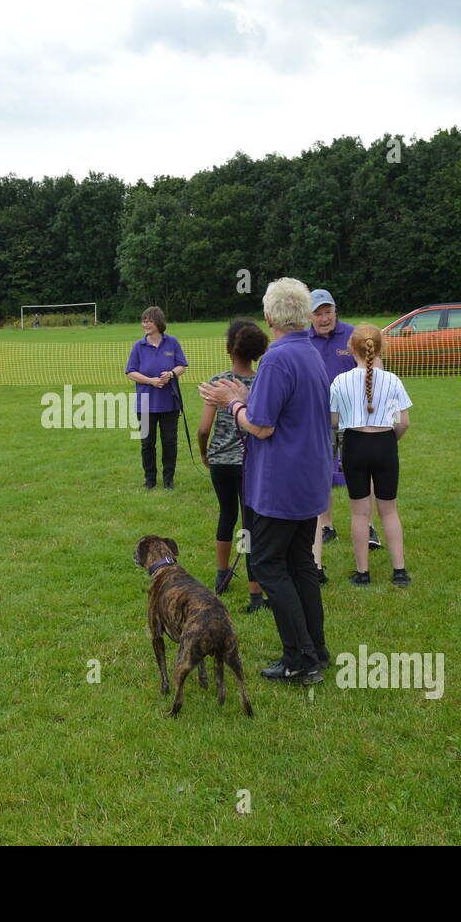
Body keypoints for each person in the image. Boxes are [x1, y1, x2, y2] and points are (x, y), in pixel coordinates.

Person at [200, 278, 333, 683]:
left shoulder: (277, 358)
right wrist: (246, 395)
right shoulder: (309, 351)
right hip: (308, 478)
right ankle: (316, 651)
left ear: (269, 316)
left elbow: (260, 426)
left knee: (270, 565)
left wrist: (232, 401)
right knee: (301, 564)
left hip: (281, 484)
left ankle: (300, 658)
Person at [330, 324, 412, 587]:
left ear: (351, 348)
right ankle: (399, 570)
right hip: (385, 444)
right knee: (389, 511)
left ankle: (363, 573)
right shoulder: (393, 380)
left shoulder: (340, 381)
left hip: (354, 445)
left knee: (359, 513)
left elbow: (333, 421)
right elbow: (404, 422)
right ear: (381, 348)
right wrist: (389, 441)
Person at [197, 318, 268, 610]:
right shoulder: (263, 383)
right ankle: (255, 594)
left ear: (228, 349)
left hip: (221, 463)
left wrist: (205, 454)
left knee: (226, 515)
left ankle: (221, 575)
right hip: (250, 465)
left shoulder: (218, 382)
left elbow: (203, 429)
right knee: (250, 525)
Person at [309, 288, 380, 567]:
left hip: (354, 418)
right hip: (320, 419)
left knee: (360, 472)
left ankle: (369, 525)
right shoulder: (305, 340)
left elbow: (372, 370)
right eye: (318, 313)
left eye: (328, 311)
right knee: (321, 472)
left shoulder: (355, 335)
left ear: (335, 311)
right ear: (309, 316)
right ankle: (326, 526)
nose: (324, 318)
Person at [126, 306, 188, 489]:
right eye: (143, 321)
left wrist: (170, 374)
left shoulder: (172, 343)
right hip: (145, 404)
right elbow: (130, 372)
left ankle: (168, 480)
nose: (145, 324)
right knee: (147, 444)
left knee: (169, 442)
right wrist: (150, 381)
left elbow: (182, 366)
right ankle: (150, 480)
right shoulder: (138, 346)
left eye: (149, 321)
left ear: (158, 322)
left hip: (169, 403)